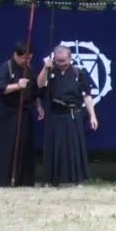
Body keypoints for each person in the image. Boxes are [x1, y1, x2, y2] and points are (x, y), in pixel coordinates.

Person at [37, 45, 98, 186]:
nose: (61, 64)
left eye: (64, 60)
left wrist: (92, 116)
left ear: (70, 58)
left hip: (73, 114)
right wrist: (46, 67)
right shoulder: (50, 71)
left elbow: (87, 96)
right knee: (54, 147)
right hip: (55, 114)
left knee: (74, 147)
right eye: (58, 61)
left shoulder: (79, 73)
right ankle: (52, 179)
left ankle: (77, 179)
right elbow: (40, 85)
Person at [0, 42, 44, 186]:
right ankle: (2, 179)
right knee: (8, 145)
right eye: (24, 58)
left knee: (24, 145)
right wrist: (17, 86)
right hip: (9, 112)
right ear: (15, 55)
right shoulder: (5, 68)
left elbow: (35, 91)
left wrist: (39, 106)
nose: (26, 61)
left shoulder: (29, 69)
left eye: (29, 58)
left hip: (25, 111)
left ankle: (23, 179)